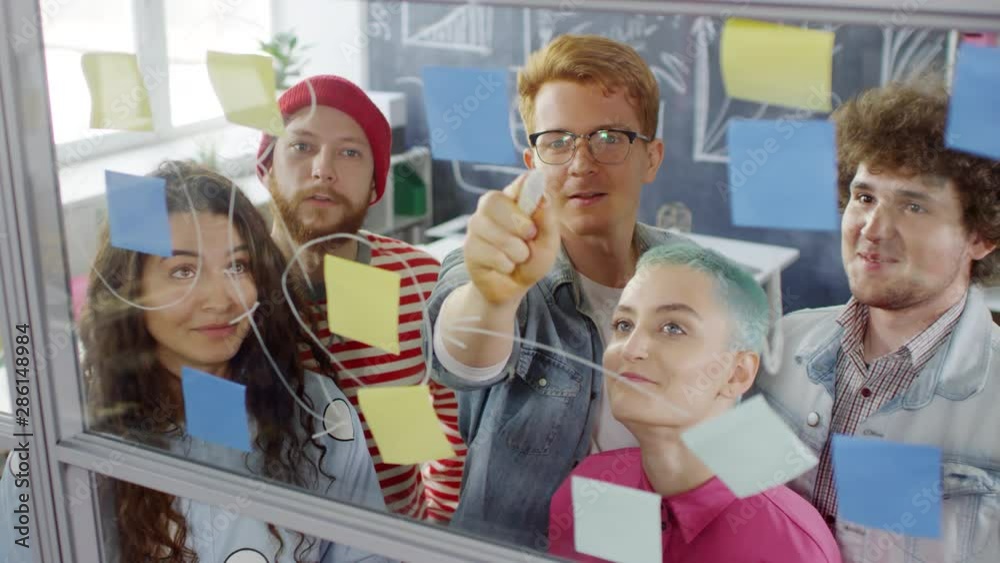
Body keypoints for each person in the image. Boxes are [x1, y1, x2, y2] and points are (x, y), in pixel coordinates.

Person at [0, 162, 388, 562]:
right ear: (129, 293)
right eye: (183, 271)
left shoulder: (317, 410)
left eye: (238, 266)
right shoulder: (66, 432)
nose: (221, 300)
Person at [425, 34, 688, 547]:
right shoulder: (498, 267)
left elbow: (740, 429)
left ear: (651, 157)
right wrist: (493, 297)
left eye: (610, 137)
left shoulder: (694, 278)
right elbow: (460, 360)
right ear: (533, 165)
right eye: (558, 141)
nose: (581, 163)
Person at [754, 81, 1000, 563]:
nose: (873, 230)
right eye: (864, 197)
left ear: (982, 237)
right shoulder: (780, 345)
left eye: (914, 206)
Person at [548, 243, 842, 562]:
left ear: (737, 373)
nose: (631, 349)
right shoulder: (591, 490)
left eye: (673, 328)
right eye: (624, 325)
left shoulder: (789, 547)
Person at [256, 75, 465, 522]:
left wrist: (436, 538)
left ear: (375, 184)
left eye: (350, 152)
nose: (323, 170)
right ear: (265, 168)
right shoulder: (232, 288)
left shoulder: (421, 280)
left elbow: (454, 431)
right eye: (301, 147)